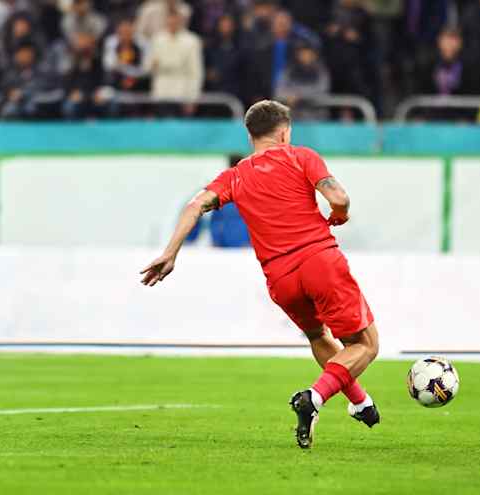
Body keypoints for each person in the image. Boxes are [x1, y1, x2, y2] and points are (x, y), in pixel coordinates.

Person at [141, 100, 380, 450]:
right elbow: (339, 196)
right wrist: (339, 212)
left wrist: (170, 252)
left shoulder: (235, 176)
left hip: (280, 279)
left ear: (250, 135)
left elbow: (195, 206)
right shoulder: (301, 157)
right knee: (364, 344)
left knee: (317, 335)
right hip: (318, 261)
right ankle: (313, 398)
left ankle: (359, 402)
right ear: (284, 132)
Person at [147, 9, 203, 117]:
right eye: (170, 22)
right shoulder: (157, 39)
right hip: (160, 92)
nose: (172, 24)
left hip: (182, 92)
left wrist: (192, 98)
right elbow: (148, 67)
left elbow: (196, 72)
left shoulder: (192, 40)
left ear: (181, 22)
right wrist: (152, 65)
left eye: (175, 22)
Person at [275, 41, 331, 120]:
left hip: (316, 118)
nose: (305, 57)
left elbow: (322, 91)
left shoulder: (321, 72)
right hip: (294, 118)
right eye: (302, 54)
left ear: (314, 55)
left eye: (308, 54)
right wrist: (288, 97)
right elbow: (279, 91)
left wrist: (299, 97)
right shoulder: (289, 71)